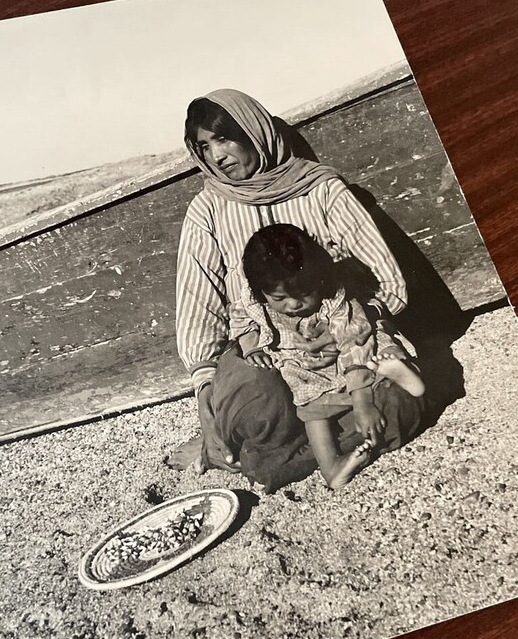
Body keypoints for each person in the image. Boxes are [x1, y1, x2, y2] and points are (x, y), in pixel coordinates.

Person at [172, 88, 427, 492]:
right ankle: (294, 440)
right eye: (204, 146)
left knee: (401, 406)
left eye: (224, 138)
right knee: (254, 407)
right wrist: (206, 384)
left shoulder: (322, 190)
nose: (216, 155)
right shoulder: (208, 210)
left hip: (347, 337)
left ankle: (265, 456)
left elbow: (389, 281)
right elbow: (197, 302)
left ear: (255, 131)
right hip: (267, 350)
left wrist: (349, 326)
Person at [234, 224, 425, 489]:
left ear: (318, 278)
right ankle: (332, 467)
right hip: (302, 365)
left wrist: (362, 404)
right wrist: (251, 347)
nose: (293, 304)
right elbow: (242, 321)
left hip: (350, 351)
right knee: (312, 409)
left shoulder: (333, 296)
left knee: (376, 341)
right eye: (280, 298)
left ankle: (403, 374)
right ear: (261, 291)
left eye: (303, 294)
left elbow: (353, 340)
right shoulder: (252, 300)